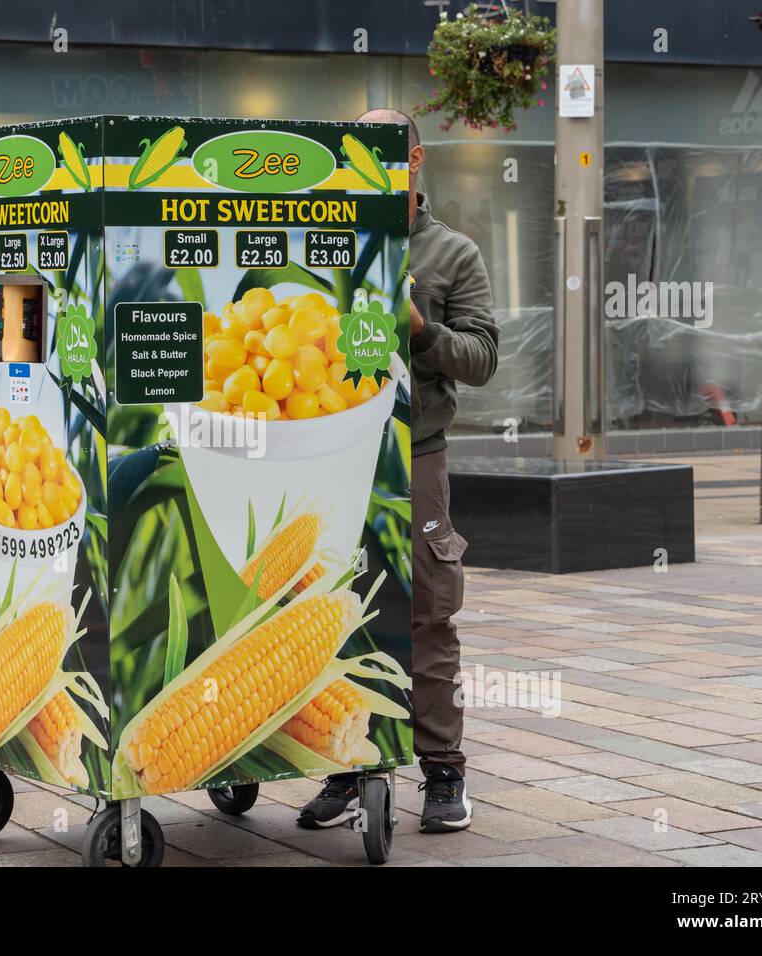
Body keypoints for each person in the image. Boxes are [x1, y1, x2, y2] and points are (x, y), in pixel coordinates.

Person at [298, 108, 499, 834]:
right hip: (334, 456)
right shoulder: (324, 243)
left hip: (417, 458)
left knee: (426, 619)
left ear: (413, 160)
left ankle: (443, 774)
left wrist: (423, 331)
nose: (363, 160)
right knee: (333, 609)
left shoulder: (451, 253)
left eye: (380, 148)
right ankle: (348, 767)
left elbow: (481, 359)